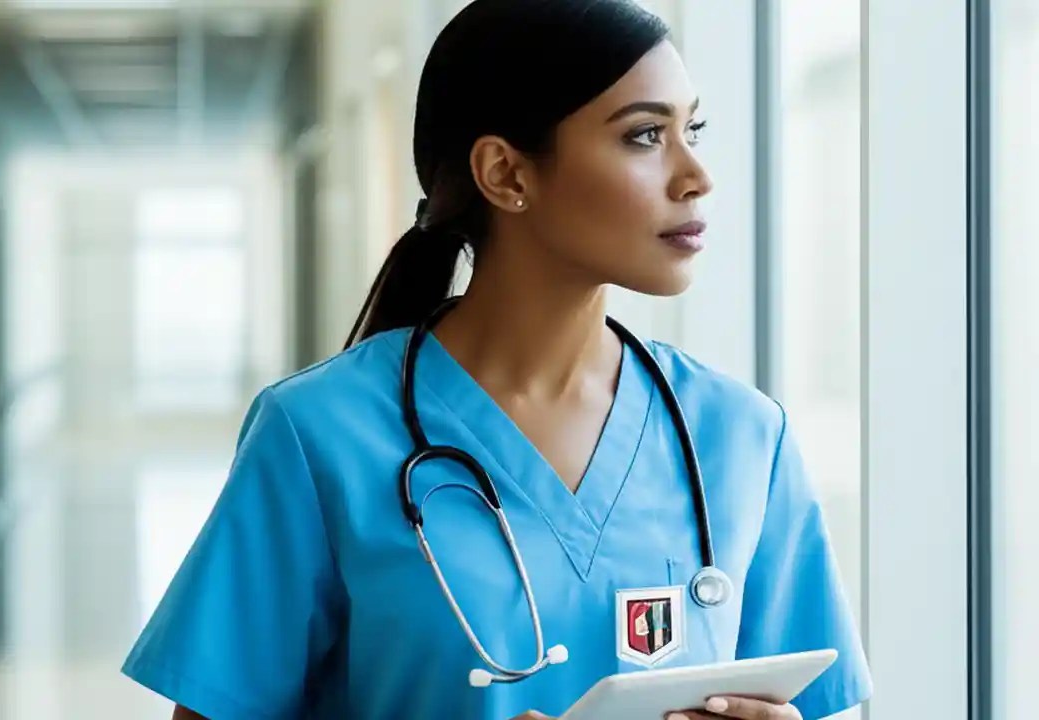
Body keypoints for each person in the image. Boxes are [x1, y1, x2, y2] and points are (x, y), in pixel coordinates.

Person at [121, 1, 873, 718]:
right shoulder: (319, 434)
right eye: (645, 135)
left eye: (692, 130)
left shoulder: (742, 436)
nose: (696, 176)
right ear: (507, 174)